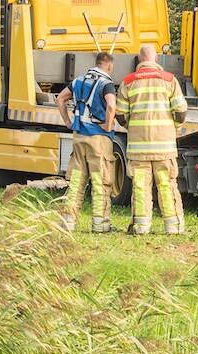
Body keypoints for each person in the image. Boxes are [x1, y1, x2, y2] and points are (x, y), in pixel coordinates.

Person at [115, 44, 187, 235]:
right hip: (164, 146)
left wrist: (133, 127)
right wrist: (175, 129)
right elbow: (180, 111)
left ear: (139, 59)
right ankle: (174, 227)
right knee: (166, 184)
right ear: (155, 59)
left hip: (139, 148)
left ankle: (141, 227)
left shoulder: (128, 82)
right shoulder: (169, 80)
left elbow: (120, 115)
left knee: (140, 187)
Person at [56, 51, 118, 233]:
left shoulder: (78, 81)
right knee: (100, 182)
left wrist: (68, 121)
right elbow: (112, 106)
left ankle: (68, 222)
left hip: (79, 137)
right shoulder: (106, 84)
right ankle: (100, 225)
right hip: (98, 140)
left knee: (76, 182)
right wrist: (107, 126)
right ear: (109, 66)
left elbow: (60, 98)